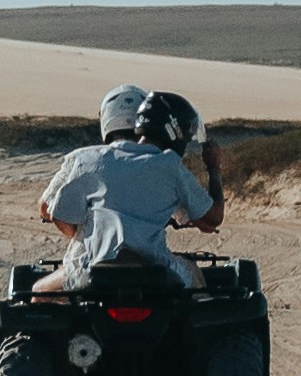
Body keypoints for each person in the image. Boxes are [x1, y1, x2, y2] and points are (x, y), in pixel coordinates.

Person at [34, 84, 218, 298]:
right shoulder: (167, 163)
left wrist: (84, 233)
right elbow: (208, 219)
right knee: (198, 293)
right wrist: (213, 169)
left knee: (38, 293)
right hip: (153, 267)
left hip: (93, 265)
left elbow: (50, 208)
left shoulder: (86, 158)